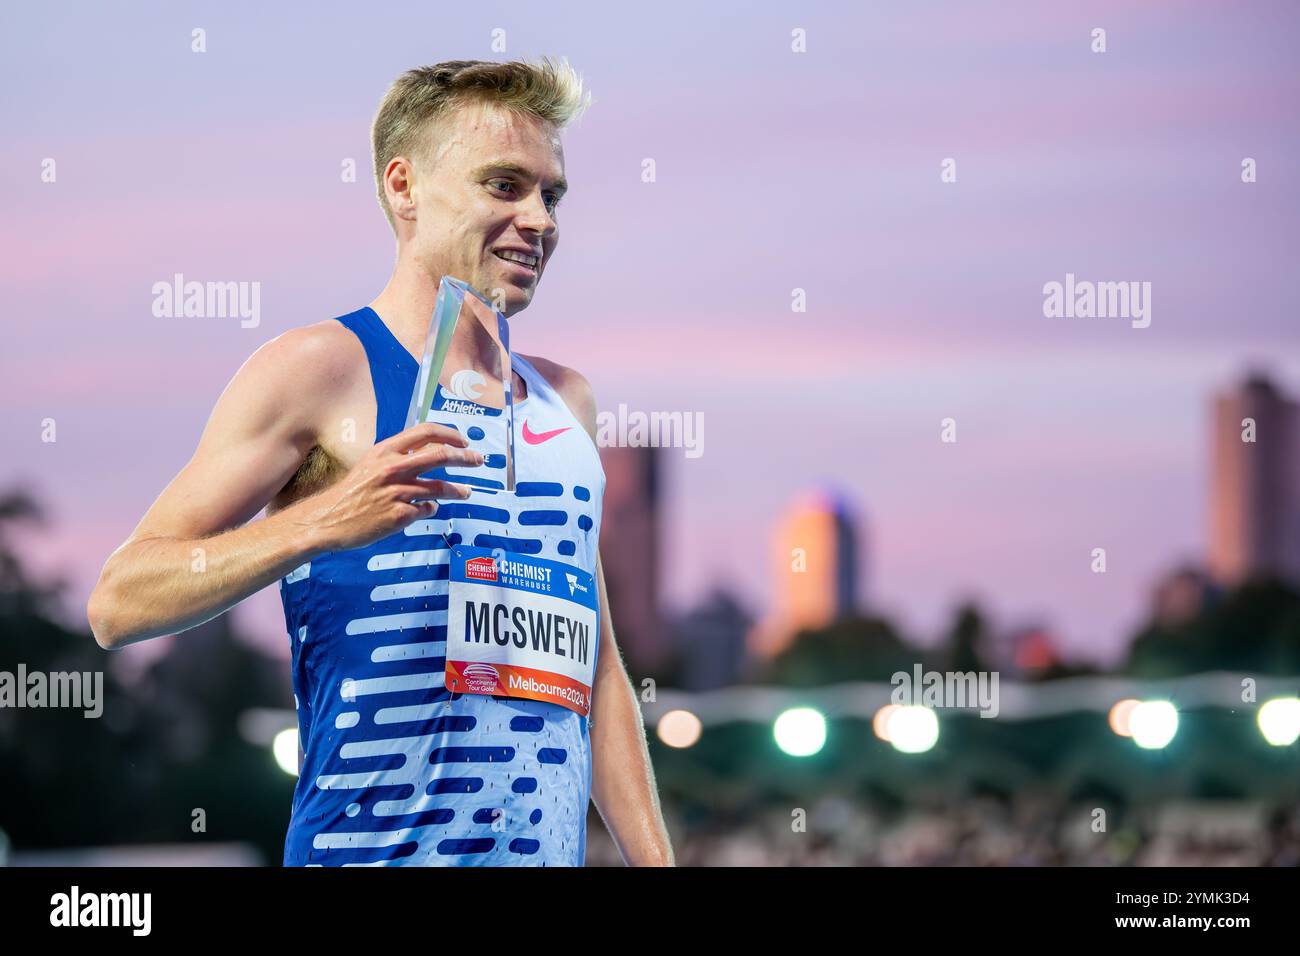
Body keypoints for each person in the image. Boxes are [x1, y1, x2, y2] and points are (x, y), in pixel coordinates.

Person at [87, 57, 674, 867]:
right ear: (403, 187)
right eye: (505, 186)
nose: (540, 219)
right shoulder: (319, 369)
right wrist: (319, 524)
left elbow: (599, 671)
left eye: (552, 193)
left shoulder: (566, 403)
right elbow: (120, 601)